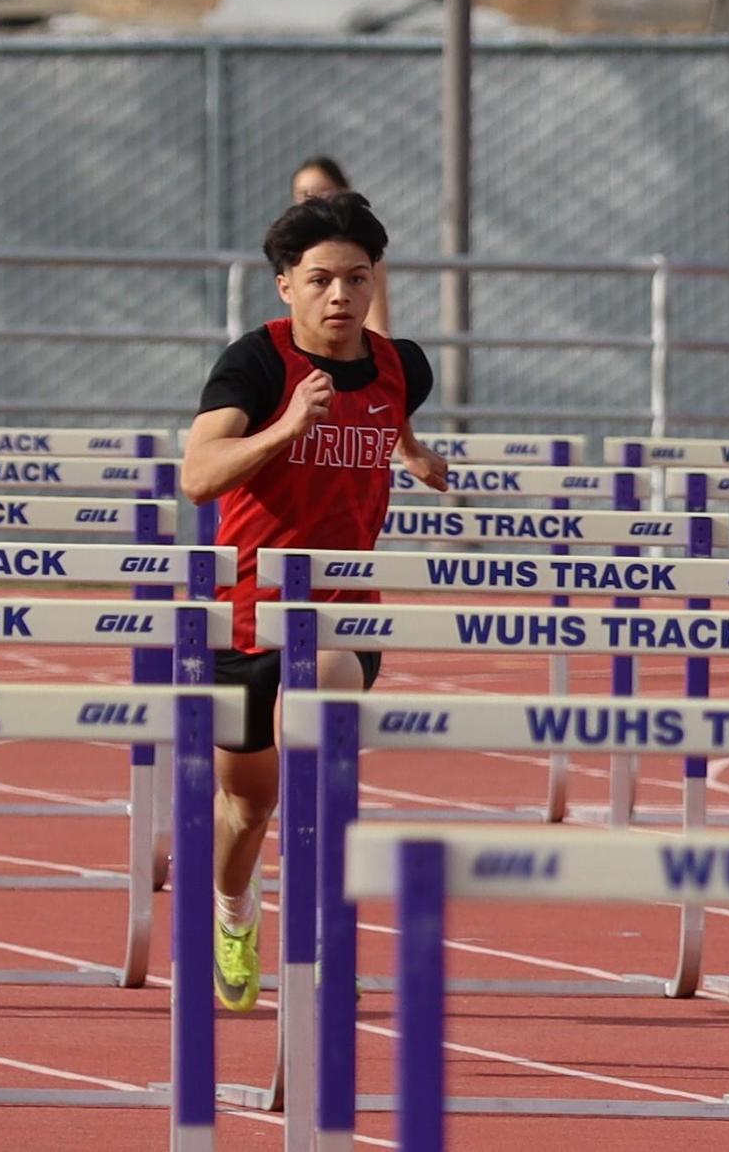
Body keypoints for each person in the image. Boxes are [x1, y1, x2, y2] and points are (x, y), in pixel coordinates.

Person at [183, 191, 446, 1011]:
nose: (341, 296)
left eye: (357, 279)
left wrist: (415, 454)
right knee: (244, 807)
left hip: (341, 611)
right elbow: (197, 474)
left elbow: (390, 413)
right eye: (323, 279)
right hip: (245, 614)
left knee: (321, 700)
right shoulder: (254, 364)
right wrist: (285, 428)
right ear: (286, 286)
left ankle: (327, 923)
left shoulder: (406, 363)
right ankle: (234, 912)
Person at [289, 154, 393, 337]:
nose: (312, 202)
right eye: (304, 195)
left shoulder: (363, 253)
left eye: (322, 192)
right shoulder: (290, 252)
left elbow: (378, 326)